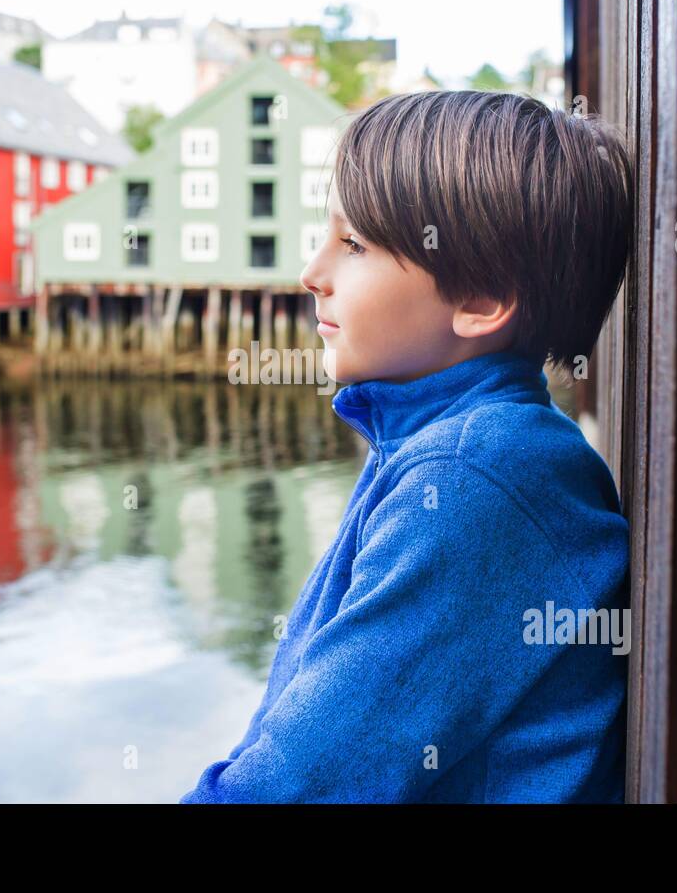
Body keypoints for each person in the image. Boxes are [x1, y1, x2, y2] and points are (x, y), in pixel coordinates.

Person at [181, 90, 634, 802]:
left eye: (353, 244)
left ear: (481, 300)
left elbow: (300, 785)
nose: (312, 273)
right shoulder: (453, 446)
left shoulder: (472, 478)